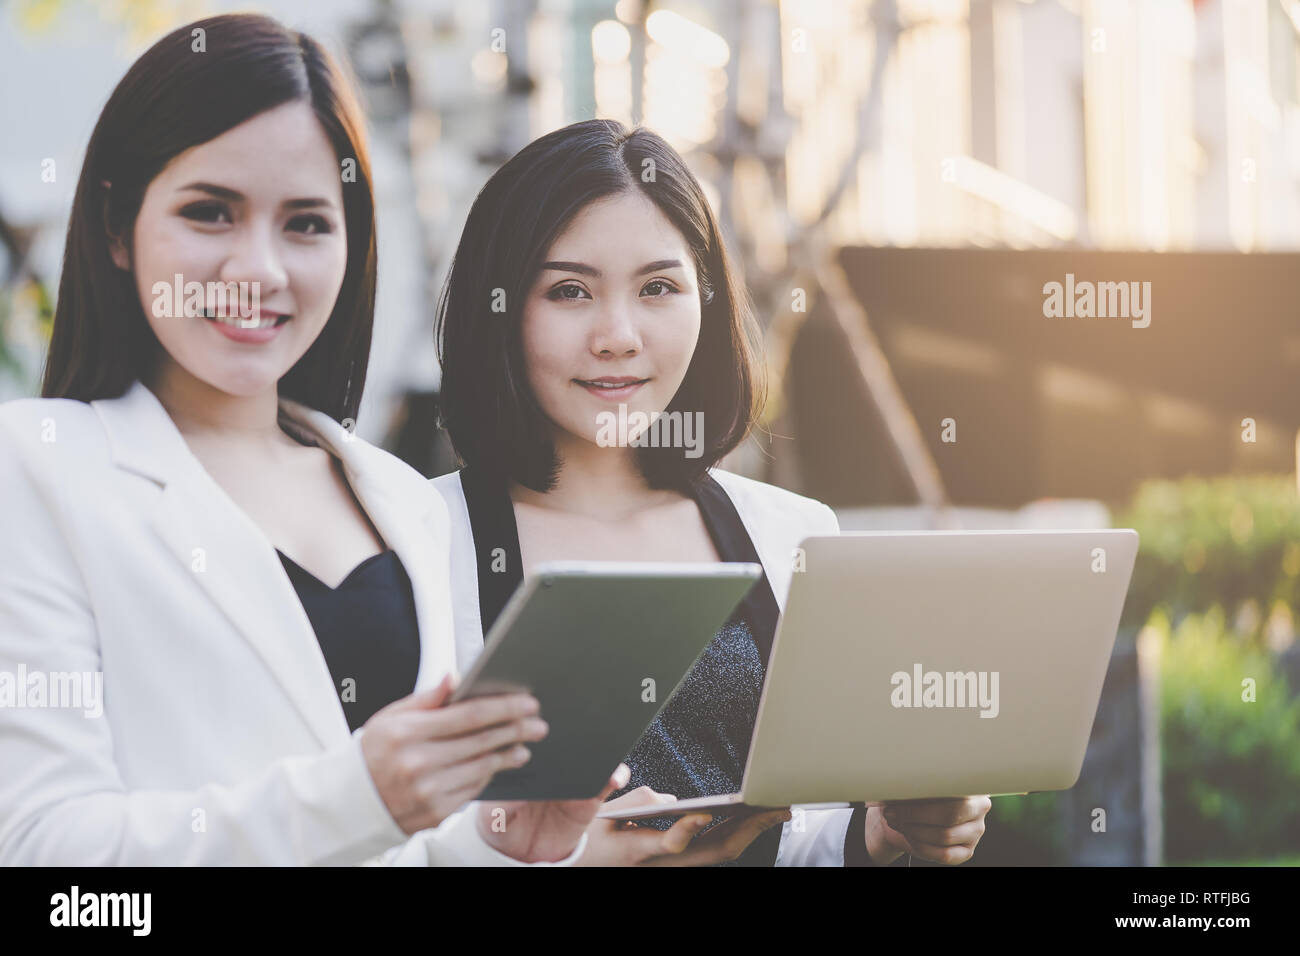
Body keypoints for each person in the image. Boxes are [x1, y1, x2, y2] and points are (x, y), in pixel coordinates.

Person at [0, 13, 624, 867]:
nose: (259, 270)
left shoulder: (400, 498)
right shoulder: (34, 467)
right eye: (210, 212)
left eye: (305, 223)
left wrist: (516, 839)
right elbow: (43, 853)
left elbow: (415, 847)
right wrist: (357, 797)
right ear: (116, 227)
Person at [432, 119, 993, 866]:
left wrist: (877, 836)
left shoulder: (790, 533)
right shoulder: (416, 540)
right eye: (569, 291)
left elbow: (799, 837)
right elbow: (381, 841)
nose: (618, 335)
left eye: (658, 287)